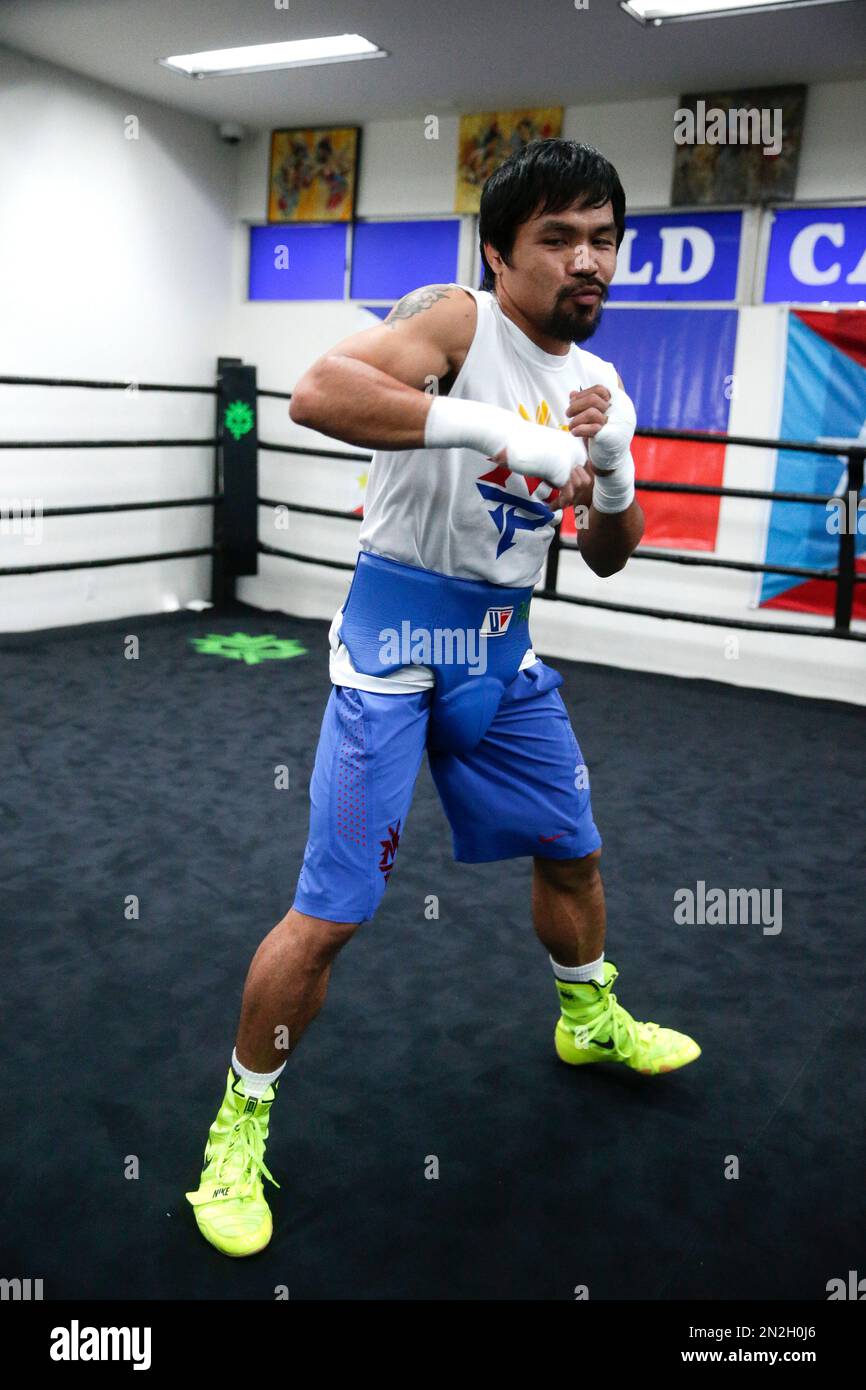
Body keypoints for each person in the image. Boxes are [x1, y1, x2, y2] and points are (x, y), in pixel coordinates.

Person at [185, 139, 701, 1259]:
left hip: (503, 657)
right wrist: (484, 424)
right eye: (557, 238)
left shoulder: (592, 386)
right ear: (499, 254)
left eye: (602, 239)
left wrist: (612, 470)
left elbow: (609, 557)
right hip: (393, 651)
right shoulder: (455, 320)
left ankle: (584, 1016)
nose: (586, 262)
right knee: (329, 914)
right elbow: (320, 390)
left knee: (573, 854)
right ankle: (239, 1121)